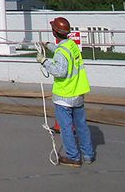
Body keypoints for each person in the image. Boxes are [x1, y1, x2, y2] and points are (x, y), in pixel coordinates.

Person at [36, 16, 96, 166]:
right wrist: (47, 45)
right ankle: (88, 154)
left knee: (66, 128)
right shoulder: (71, 45)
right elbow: (61, 50)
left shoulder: (62, 51)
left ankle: (73, 157)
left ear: (54, 32)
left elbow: (59, 71)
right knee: (81, 125)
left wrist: (44, 61)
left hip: (64, 95)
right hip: (77, 93)